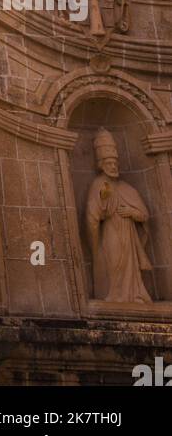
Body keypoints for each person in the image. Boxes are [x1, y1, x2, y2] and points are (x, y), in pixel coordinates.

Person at [85, 128, 152, 304]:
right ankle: (114, 294)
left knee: (130, 264)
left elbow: (144, 215)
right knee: (114, 263)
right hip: (110, 232)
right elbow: (94, 215)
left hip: (129, 233)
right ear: (101, 165)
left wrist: (132, 212)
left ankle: (134, 294)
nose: (113, 166)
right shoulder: (98, 184)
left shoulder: (126, 188)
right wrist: (104, 200)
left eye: (115, 163)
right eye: (108, 163)